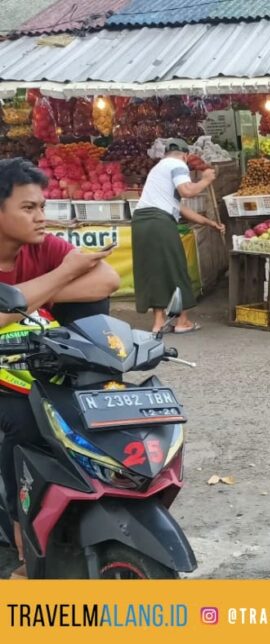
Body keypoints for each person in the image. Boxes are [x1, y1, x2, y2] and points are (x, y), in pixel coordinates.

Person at [0, 157, 120, 578]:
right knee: (23, 425)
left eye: (42, 206)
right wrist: (63, 277)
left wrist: (29, 300)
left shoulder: (43, 246)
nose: (40, 217)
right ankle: (22, 551)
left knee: (90, 409)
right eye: (28, 208)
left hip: (30, 363)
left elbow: (106, 280)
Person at [132, 138, 224, 334]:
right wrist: (206, 179)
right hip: (159, 222)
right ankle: (182, 321)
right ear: (185, 155)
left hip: (141, 222)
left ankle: (158, 323)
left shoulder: (158, 168)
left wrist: (208, 223)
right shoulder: (177, 164)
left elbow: (180, 208)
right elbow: (187, 191)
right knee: (177, 267)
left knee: (154, 271)